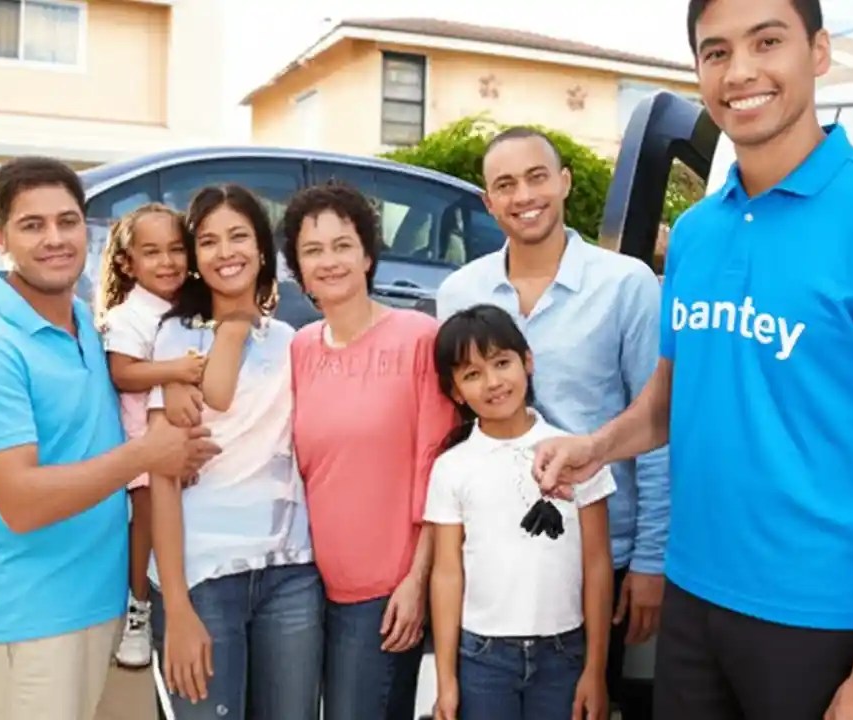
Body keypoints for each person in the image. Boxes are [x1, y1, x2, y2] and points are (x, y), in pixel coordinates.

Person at [533, 0, 853, 718]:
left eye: (766, 42)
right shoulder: (698, 234)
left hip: (817, 619)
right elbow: (673, 395)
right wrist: (598, 445)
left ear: (819, 51)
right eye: (716, 52)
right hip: (692, 596)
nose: (740, 72)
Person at [0, 156, 219, 720]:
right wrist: (144, 455)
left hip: (116, 610)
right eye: (32, 225)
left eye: (66, 222)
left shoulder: (90, 326)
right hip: (36, 624)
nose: (54, 239)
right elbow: (20, 501)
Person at [436, 127, 668, 720]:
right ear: (488, 202)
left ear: (564, 182)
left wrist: (650, 558)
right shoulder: (461, 291)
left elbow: (658, 424)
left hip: (601, 552)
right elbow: (454, 427)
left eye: (538, 176)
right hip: (494, 569)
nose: (524, 196)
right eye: (505, 185)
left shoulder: (626, 284)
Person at [281, 180, 457, 720]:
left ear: (368, 256)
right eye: (312, 250)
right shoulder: (300, 346)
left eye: (342, 245)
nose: (328, 261)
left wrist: (416, 581)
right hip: (307, 587)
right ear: (297, 268)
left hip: (384, 592)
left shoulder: (418, 338)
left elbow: (439, 470)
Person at [147, 184, 322, 720]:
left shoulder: (292, 338)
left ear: (262, 247)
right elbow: (162, 477)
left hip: (291, 573)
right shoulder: (176, 340)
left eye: (239, 236)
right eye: (209, 241)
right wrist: (176, 605)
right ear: (195, 258)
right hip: (203, 577)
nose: (227, 252)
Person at [425, 303, 615, 720]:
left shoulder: (576, 453)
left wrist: (595, 671)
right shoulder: (452, 467)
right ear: (456, 391)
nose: (492, 382)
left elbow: (598, 562)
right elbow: (446, 572)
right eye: (472, 374)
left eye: (501, 362)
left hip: (564, 654)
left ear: (527, 362)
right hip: (482, 658)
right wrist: (446, 680)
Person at [95, 202, 207, 668]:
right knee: (146, 515)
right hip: (143, 437)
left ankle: (172, 592)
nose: (167, 263)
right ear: (128, 263)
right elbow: (123, 372)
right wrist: (175, 370)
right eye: (152, 253)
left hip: (183, 433)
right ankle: (137, 607)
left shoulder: (192, 309)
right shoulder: (129, 316)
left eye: (176, 250)